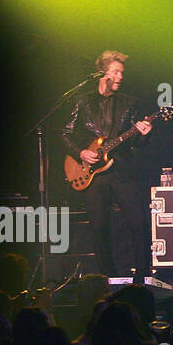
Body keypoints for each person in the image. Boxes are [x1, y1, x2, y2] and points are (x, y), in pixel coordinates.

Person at [61, 50, 154, 277]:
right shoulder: (84, 101)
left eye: (122, 72)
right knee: (99, 227)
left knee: (138, 221)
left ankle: (142, 273)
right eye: (115, 72)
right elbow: (65, 133)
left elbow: (138, 142)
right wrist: (81, 152)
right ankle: (107, 276)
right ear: (102, 73)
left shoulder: (130, 103)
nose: (120, 77)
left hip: (121, 170)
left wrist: (144, 133)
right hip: (92, 173)